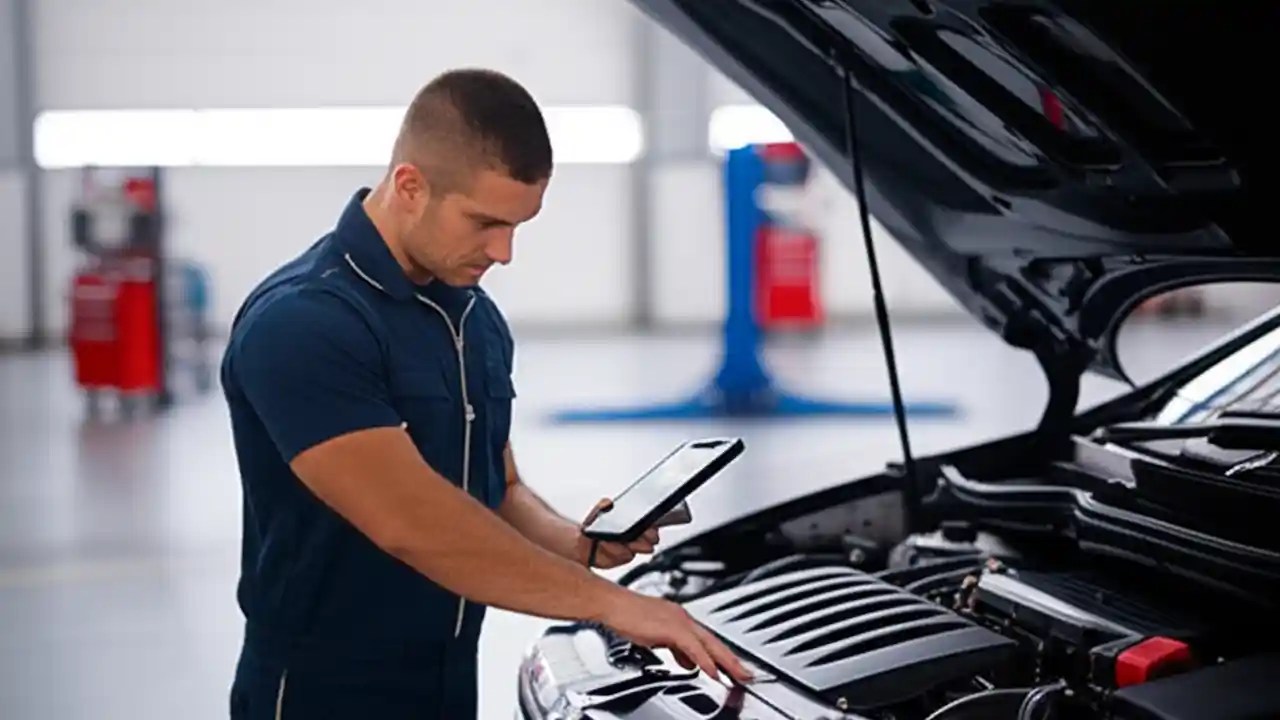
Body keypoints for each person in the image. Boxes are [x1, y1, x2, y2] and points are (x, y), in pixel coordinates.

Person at [220, 68, 751, 719]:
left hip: (447, 680)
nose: (503, 252)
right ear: (410, 186)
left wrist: (578, 543)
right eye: (484, 223)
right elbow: (412, 522)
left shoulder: (473, 318)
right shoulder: (305, 323)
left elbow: (496, 490)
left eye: (518, 226)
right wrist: (614, 603)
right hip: (321, 692)